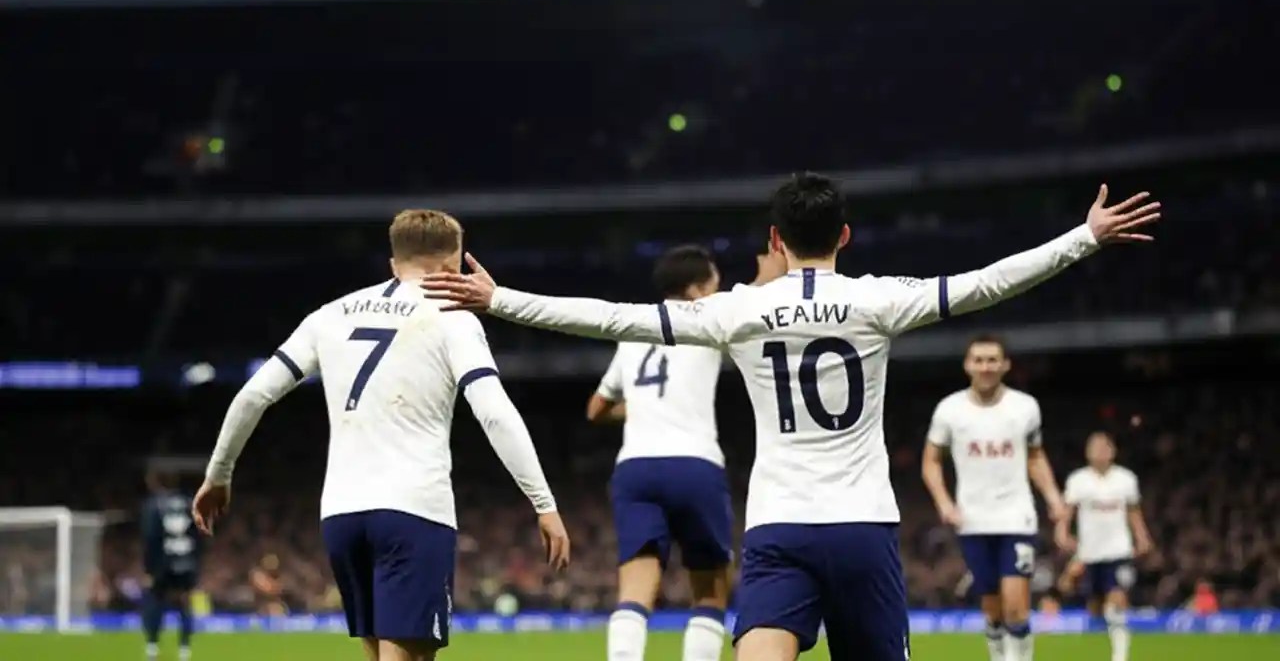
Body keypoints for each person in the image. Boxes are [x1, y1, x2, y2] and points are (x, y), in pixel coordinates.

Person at [421, 173, 1160, 661]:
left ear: (774, 241)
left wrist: (501, 299)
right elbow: (987, 284)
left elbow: (614, 317)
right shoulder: (879, 300)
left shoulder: (736, 310)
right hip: (865, 527)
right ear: (845, 236)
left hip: (779, 527)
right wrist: (1083, 238)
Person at [193, 209, 570, 661]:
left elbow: (253, 396)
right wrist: (543, 502)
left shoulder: (328, 316)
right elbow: (494, 412)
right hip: (413, 509)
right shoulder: (453, 315)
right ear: (455, 267)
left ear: (395, 263)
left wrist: (219, 474)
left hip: (341, 514)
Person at [586, 245, 733, 661]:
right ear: (694, 290)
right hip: (694, 463)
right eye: (713, 285)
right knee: (710, 591)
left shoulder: (635, 331)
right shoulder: (711, 319)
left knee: (634, 591)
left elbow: (596, 408)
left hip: (636, 468)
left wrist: (646, 407)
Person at [921, 335, 1066, 661]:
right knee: (992, 607)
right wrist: (945, 503)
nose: (985, 366)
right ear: (967, 365)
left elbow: (1035, 457)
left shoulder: (1025, 407)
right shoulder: (949, 410)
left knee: (1016, 606)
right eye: (979, 360)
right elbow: (930, 461)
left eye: (992, 360)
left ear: (1005, 365)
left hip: (1017, 516)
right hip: (972, 520)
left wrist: (1053, 497)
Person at [1056, 432, 1153, 661]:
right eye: (1095, 447)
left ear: (1113, 451)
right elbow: (1067, 511)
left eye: (1104, 447)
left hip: (1119, 551)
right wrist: (1061, 533)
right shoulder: (1078, 480)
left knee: (1116, 602)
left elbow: (1133, 511)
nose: (1099, 451)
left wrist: (1142, 537)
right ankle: (1100, 647)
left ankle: (1120, 656)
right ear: (1087, 452)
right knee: (1096, 607)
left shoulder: (1126, 479)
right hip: (1090, 553)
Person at [141, 470, 202, 661]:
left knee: (155, 603)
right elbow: (199, 534)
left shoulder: (153, 505)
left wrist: (149, 569)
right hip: (186, 561)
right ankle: (184, 650)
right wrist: (196, 561)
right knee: (185, 604)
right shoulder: (190, 503)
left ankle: (152, 648)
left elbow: (150, 538)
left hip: (162, 563)